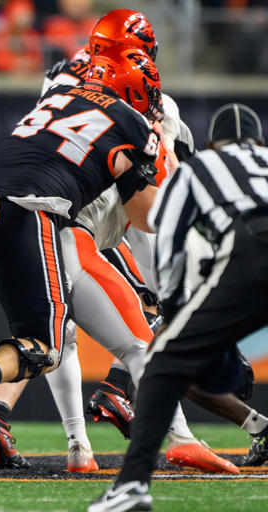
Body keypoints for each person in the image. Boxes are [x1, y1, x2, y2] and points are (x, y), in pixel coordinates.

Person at [0, 43, 163, 471]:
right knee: (52, 341)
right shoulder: (134, 120)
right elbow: (144, 218)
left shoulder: (59, 89)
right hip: (44, 215)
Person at [88, 105, 268, 510]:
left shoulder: (198, 168)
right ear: (259, 143)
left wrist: (173, 308)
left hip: (248, 252)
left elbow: (168, 236)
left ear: (210, 144)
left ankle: (132, 485)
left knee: (162, 362)